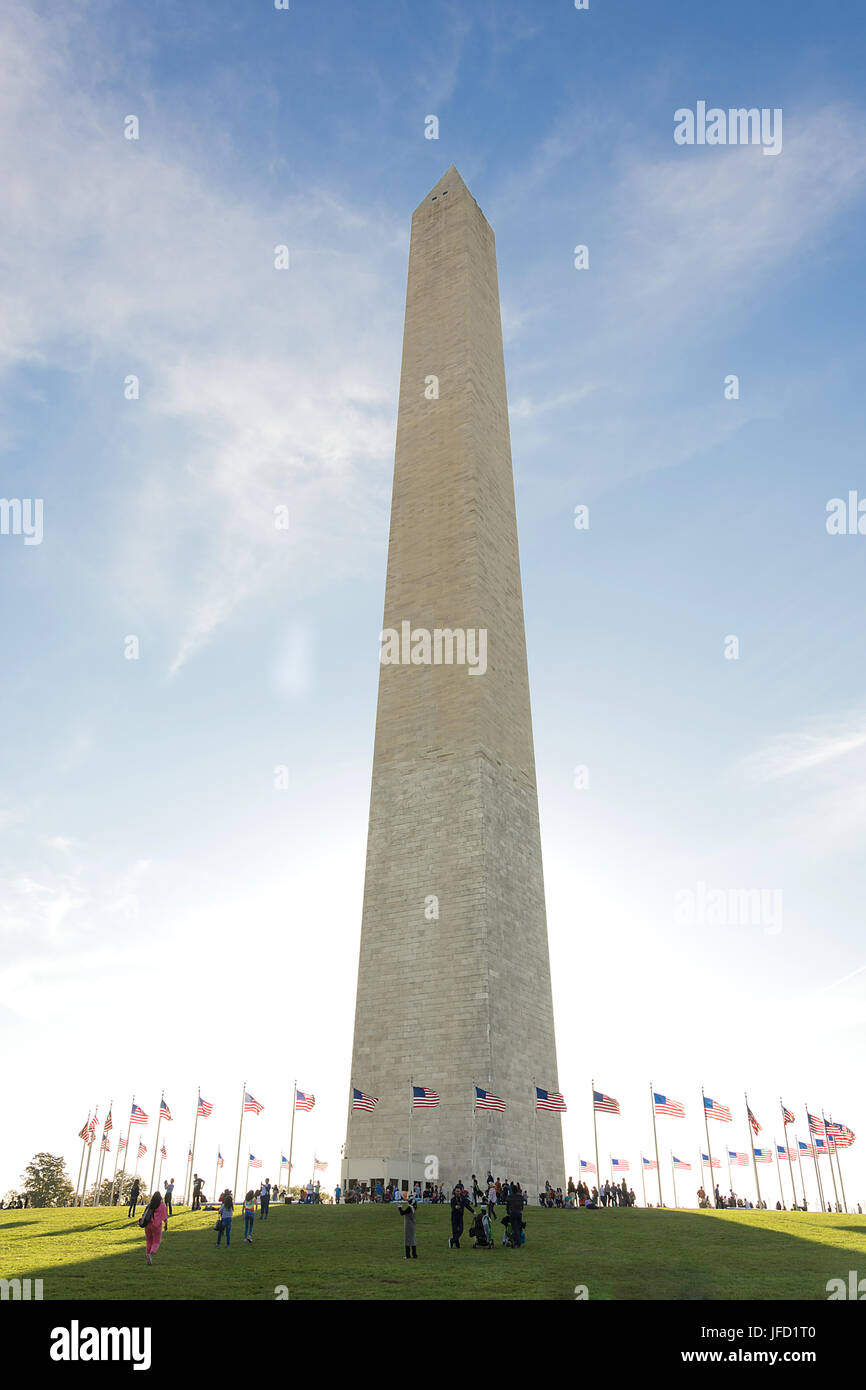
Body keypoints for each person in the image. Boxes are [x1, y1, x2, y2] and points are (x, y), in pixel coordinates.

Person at [140, 1189, 169, 1267]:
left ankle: (148, 1256)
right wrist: (166, 1224)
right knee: (156, 1242)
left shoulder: (150, 1205)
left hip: (147, 1225)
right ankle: (150, 1254)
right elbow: (165, 1216)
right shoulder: (162, 1205)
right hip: (156, 1226)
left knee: (149, 1241)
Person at [449, 1183, 474, 1249]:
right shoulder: (453, 1199)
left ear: (460, 1191)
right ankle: (457, 1244)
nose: (457, 1192)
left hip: (460, 1217)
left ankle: (452, 1241)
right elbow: (452, 1207)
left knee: (461, 1230)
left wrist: (473, 1211)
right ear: (454, 1191)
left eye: (458, 1191)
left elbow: (467, 1206)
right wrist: (455, 1207)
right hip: (454, 1217)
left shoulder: (463, 1199)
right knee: (455, 1231)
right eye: (456, 1191)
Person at [399, 1193, 418, 1259]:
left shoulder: (410, 1208)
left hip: (408, 1225)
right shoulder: (413, 1207)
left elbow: (402, 1213)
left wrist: (399, 1207)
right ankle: (414, 1255)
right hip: (412, 1225)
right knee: (413, 1240)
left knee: (407, 1240)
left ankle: (408, 1255)